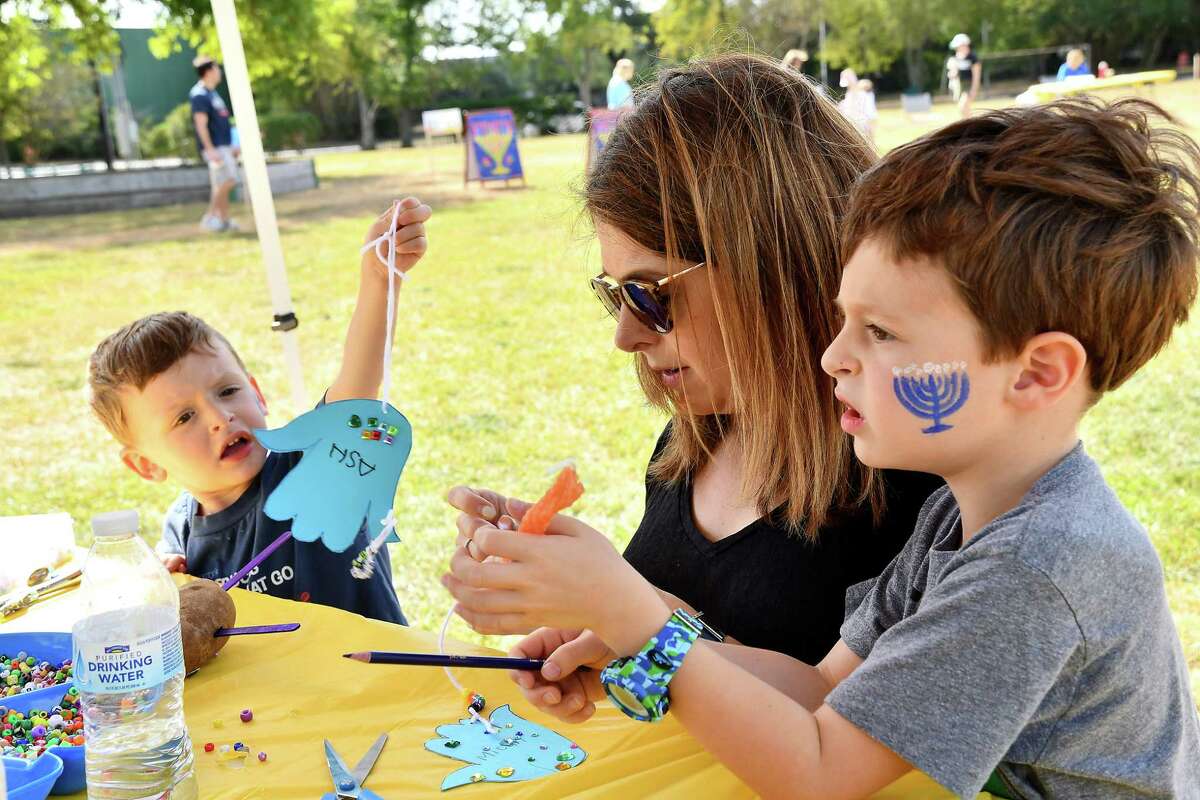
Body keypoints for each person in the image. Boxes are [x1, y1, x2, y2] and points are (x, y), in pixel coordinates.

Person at [445, 98, 1200, 797]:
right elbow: (821, 691)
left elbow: (819, 769)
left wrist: (628, 609)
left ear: (1037, 374)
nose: (833, 356)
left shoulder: (1040, 565)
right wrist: (630, 638)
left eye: (880, 333)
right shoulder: (961, 520)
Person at [445, 53, 941, 669]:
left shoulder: (921, 487)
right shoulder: (692, 446)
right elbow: (670, 653)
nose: (625, 335)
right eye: (615, 295)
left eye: (649, 294)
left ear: (771, 271)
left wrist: (626, 609)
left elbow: (833, 732)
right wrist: (574, 598)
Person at [87, 197, 432, 624]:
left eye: (228, 390)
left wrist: (380, 279)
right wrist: (165, 578)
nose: (219, 417)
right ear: (145, 465)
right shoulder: (182, 526)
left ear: (257, 393)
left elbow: (357, 387)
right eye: (184, 417)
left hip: (379, 685)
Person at [190, 57, 240, 233]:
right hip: (215, 148)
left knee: (222, 182)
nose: (220, 72)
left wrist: (233, 144)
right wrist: (210, 149)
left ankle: (224, 220)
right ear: (209, 71)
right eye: (217, 68)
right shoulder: (199, 95)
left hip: (224, 145)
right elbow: (201, 124)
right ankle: (210, 217)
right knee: (229, 180)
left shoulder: (213, 94)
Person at [838, 69, 877, 145]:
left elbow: (870, 113)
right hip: (852, 126)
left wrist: (870, 127)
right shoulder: (849, 94)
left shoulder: (864, 95)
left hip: (862, 126)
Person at [947, 33, 981, 118]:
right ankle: (968, 125)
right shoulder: (955, 57)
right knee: (963, 109)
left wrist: (974, 90)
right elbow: (953, 73)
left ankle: (969, 125)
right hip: (960, 86)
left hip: (969, 85)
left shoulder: (973, 57)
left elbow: (976, 76)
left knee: (963, 106)